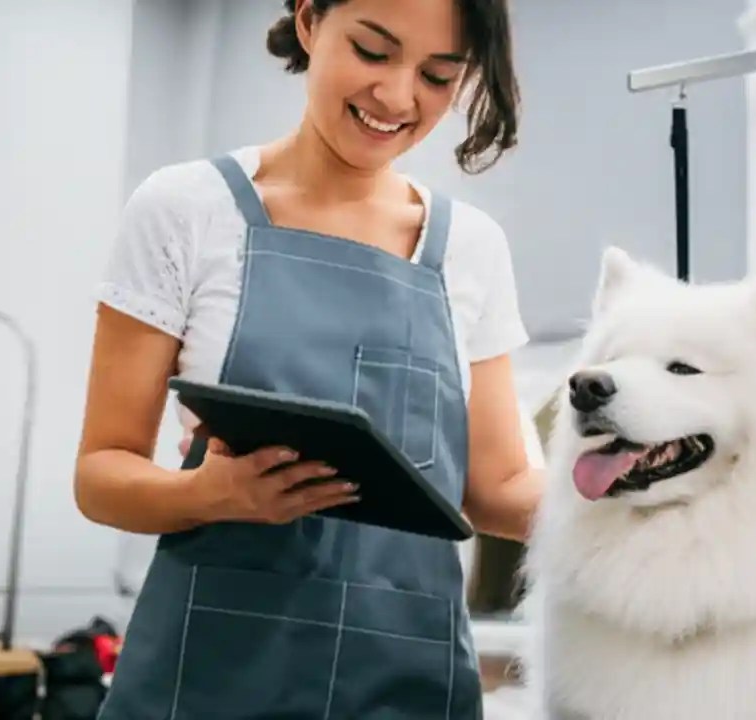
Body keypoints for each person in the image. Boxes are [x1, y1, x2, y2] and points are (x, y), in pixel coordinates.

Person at [73, 0, 542, 716]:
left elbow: (497, 485)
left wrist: (656, 509)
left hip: (403, 678)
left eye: (439, 75)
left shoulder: (472, 248)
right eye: (373, 51)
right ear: (309, 20)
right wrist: (215, 495)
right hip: (209, 674)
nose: (397, 97)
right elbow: (101, 473)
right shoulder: (187, 210)